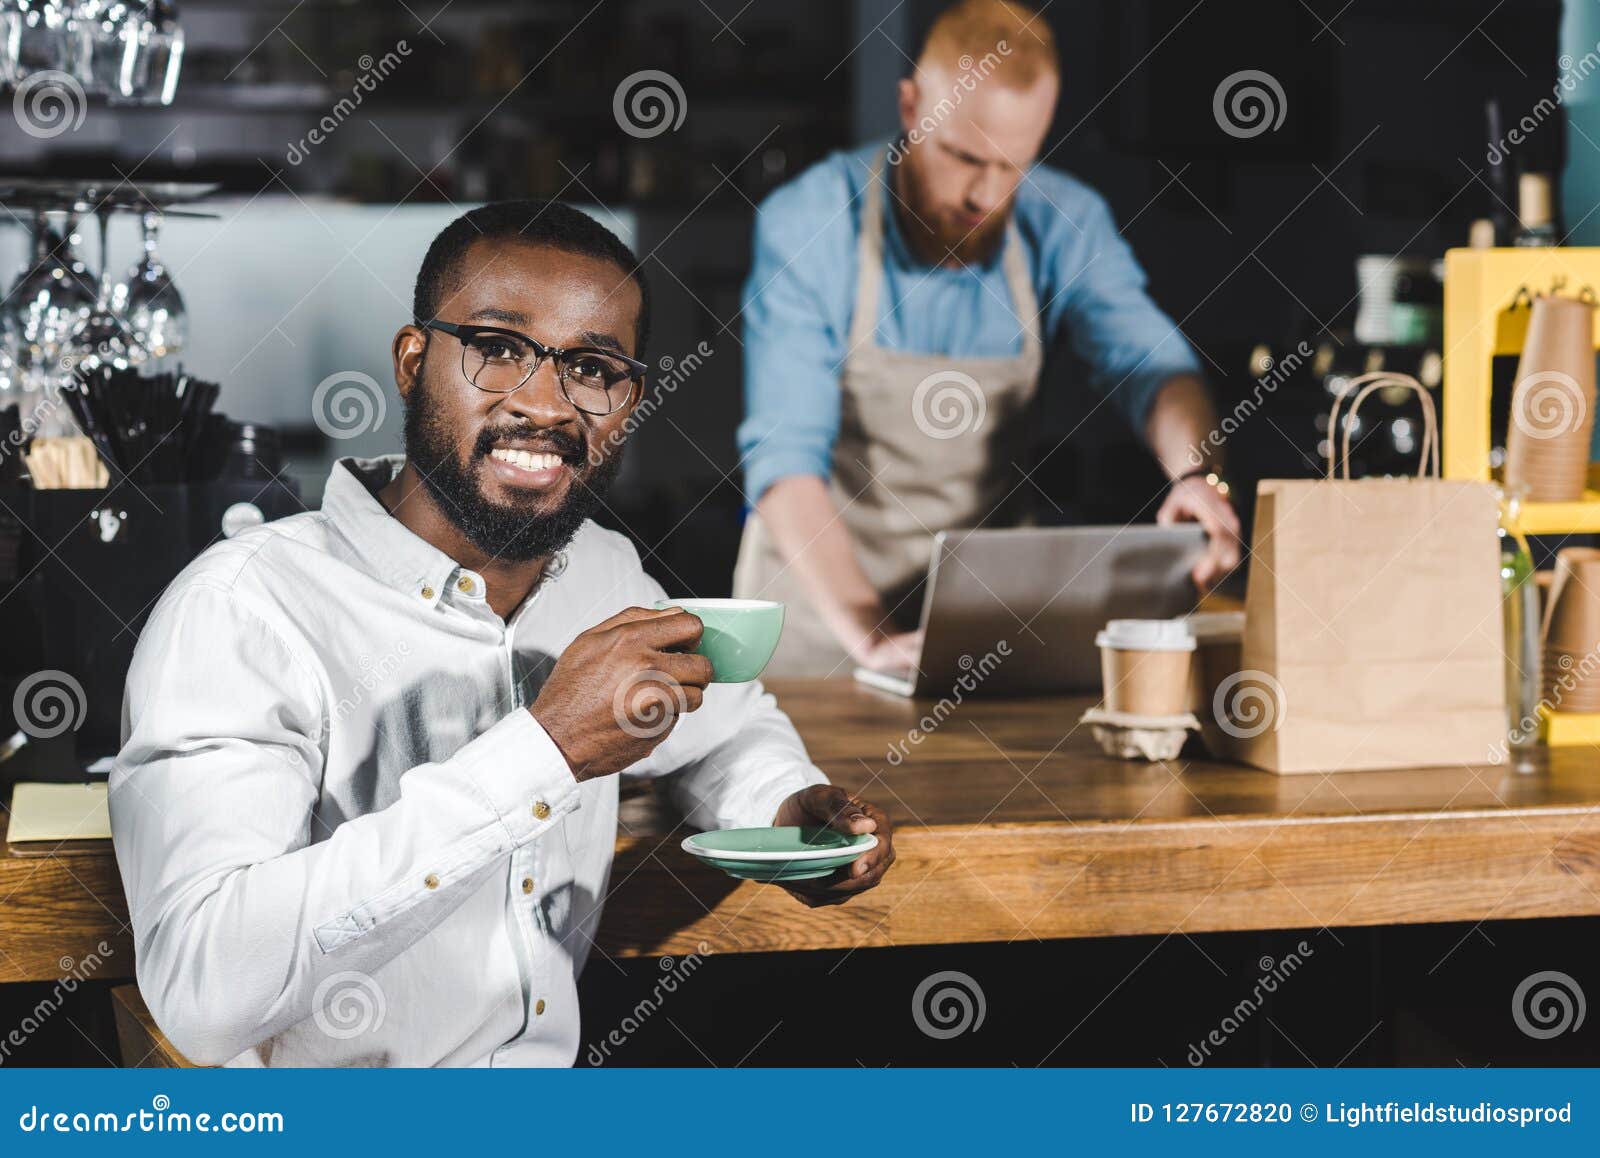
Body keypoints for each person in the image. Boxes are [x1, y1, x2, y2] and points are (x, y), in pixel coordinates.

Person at [109, 201, 895, 1068]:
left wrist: (786, 807)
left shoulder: (602, 574)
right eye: (500, 349)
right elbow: (203, 989)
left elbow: (727, 726)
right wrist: (548, 749)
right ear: (413, 363)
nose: (548, 404)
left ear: (629, 400)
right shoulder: (244, 610)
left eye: (593, 367)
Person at [733, 0, 1241, 678]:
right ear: (912, 107)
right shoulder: (810, 222)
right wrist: (870, 634)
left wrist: (1197, 473)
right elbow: (785, 456)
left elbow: (1154, 370)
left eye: (1013, 166)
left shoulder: (1064, 223)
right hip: (820, 627)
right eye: (964, 157)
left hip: (979, 623)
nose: (985, 194)